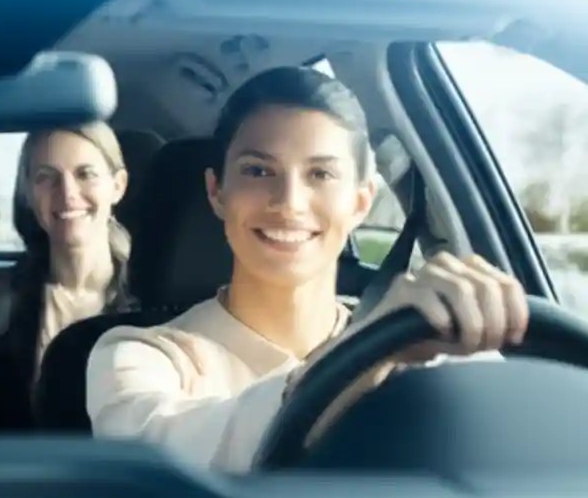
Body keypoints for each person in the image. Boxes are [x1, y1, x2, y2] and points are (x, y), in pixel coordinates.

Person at [85, 66, 526, 473]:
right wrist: (367, 354)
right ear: (217, 192)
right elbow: (167, 464)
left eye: (321, 175)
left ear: (361, 201)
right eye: (258, 171)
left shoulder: (423, 342)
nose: (289, 203)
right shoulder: (139, 356)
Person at [0, 121, 135, 429]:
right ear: (28, 193)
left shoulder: (157, 298)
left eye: (85, 174)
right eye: (46, 177)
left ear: (118, 186)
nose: (67, 193)